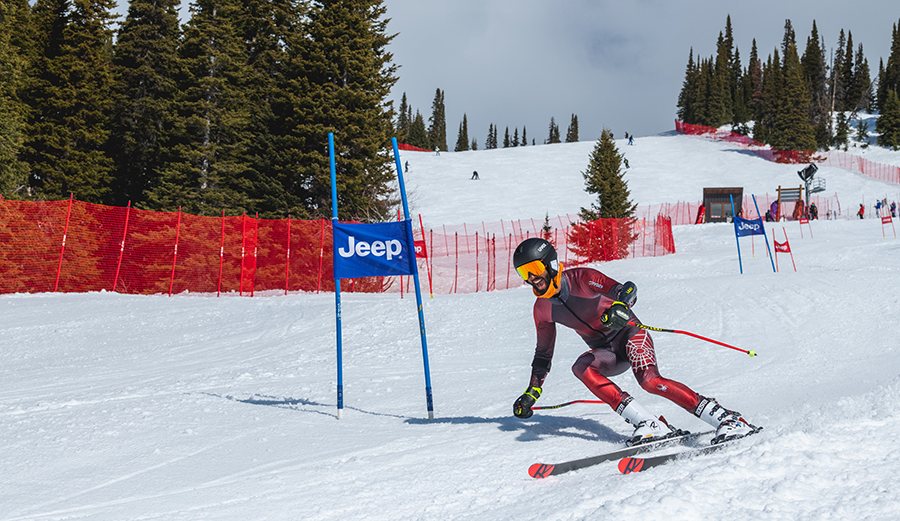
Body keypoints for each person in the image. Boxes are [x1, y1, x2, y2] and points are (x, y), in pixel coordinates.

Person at [510, 238, 759, 446]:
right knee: (581, 368)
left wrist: (620, 307)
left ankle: (728, 419)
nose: (531, 278)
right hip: (607, 353)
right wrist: (532, 391)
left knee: (650, 381)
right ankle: (648, 423)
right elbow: (543, 355)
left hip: (630, 334)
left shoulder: (583, 278)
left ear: (551, 264)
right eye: (523, 273)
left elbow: (626, 289)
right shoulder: (542, 308)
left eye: (534, 269)